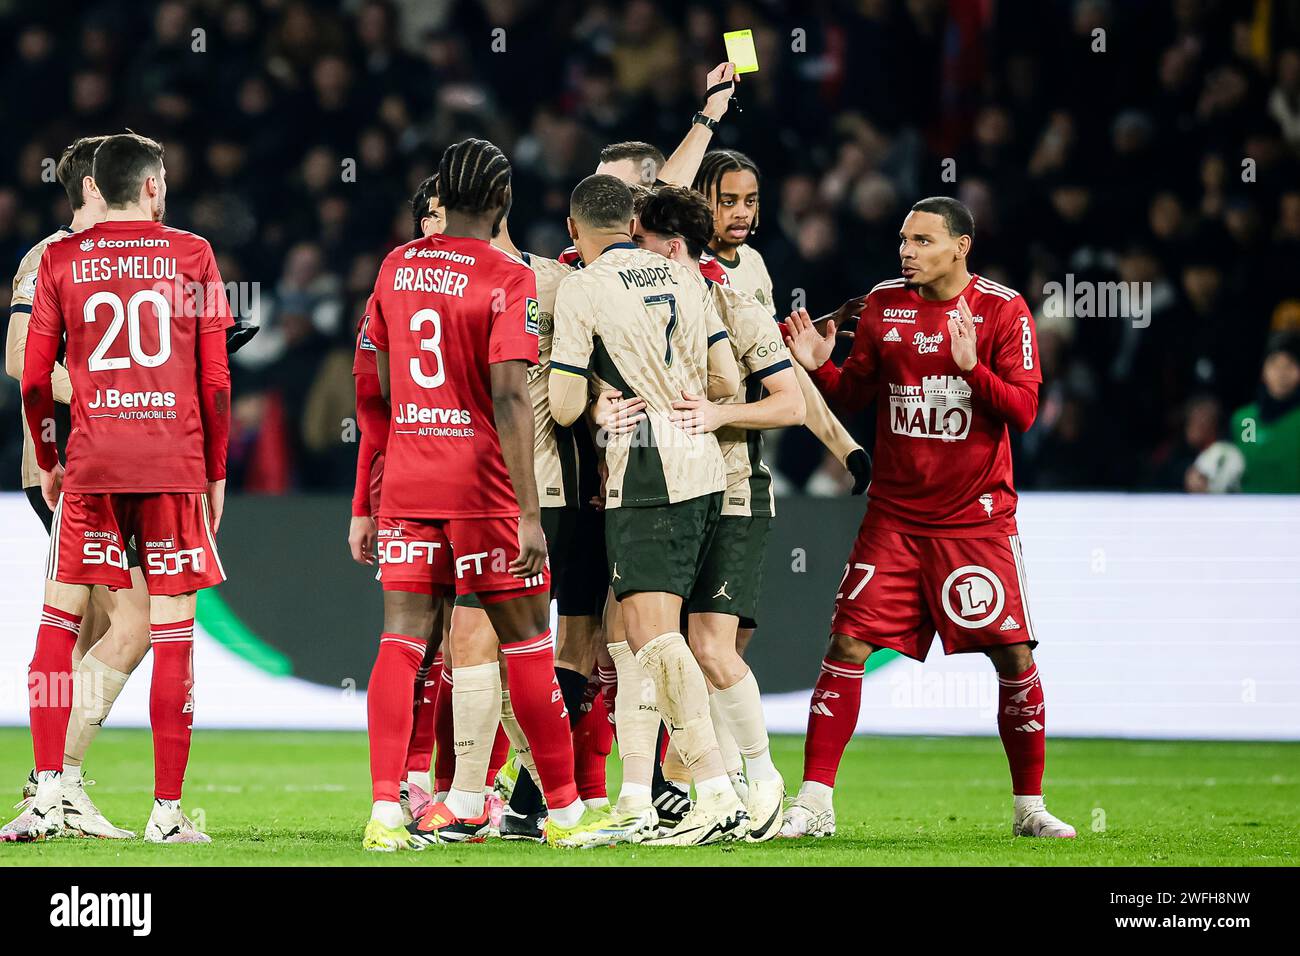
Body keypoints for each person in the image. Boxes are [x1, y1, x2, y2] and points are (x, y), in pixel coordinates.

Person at [363, 139, 642, 850]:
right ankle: (569, 815)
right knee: (526, 646)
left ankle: (386, 814)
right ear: (501, 202)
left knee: (400, 644)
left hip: (408, 477)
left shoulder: (394, 267)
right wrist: (526, 513)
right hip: (481, 487)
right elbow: (513, 399)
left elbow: (385, 387)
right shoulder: (504, 275)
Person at [781, 196, 1075, 840]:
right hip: (893, 519)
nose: (906, 251)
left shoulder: (1002, 310)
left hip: (976, 521)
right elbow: (856, 393)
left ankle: (1029, 806)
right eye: (903, 240)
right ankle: (814, 801)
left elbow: (1023, 413)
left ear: (960, 246)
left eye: (921, 240)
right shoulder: (885, 304)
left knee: (1013, 657)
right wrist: (820, 367)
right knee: (846, 644)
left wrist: (972, 371)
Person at [4, 132, 232, 844]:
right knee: (157, 631)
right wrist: (214, 466)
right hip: (161, 463)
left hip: (88, 466)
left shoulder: (64, 261)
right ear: (144, 186)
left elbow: (36, 377)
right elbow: (216, 381)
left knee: (68, 626)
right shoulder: (184, 254)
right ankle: (147, 807)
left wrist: (50, 448)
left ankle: (52, 787)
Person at [548, 173, 750, 845]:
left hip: (647, 469)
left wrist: (602, 399)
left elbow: (567, 405)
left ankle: (717, 792)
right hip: (703, 463)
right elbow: (728, 382)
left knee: (655, 638)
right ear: (633, 225)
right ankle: (637, 800)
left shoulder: (583, 285)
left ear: (575, 230)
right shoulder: (683, 274)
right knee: (634, 638)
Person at [636, 185, 806, 840]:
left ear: (670, 246)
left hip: (735, 490)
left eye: (643, 243)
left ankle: (762, 784)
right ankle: (719, 793)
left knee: (709, 644)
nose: (635, 255)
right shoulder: (649, 308)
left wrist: (719, 413)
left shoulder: (736, 302)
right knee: (670, 645)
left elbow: (789, 402)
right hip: (673, 493)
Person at [3, 135, 145, 840]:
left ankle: (56, 783)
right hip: (63, 469)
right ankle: (52, 782)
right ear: (94, 186)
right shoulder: (49, 257)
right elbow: (19, 360)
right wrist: (109, 391)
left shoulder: (121, 263)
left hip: (111, 465)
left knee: (92, 627)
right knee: (128, 625)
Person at [1231, 332, 1300, 493]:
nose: (1282, 373)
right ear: (1263, 370)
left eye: (1290, 365)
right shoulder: (1246, 420)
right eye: (1275, 364)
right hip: (1250, 514)